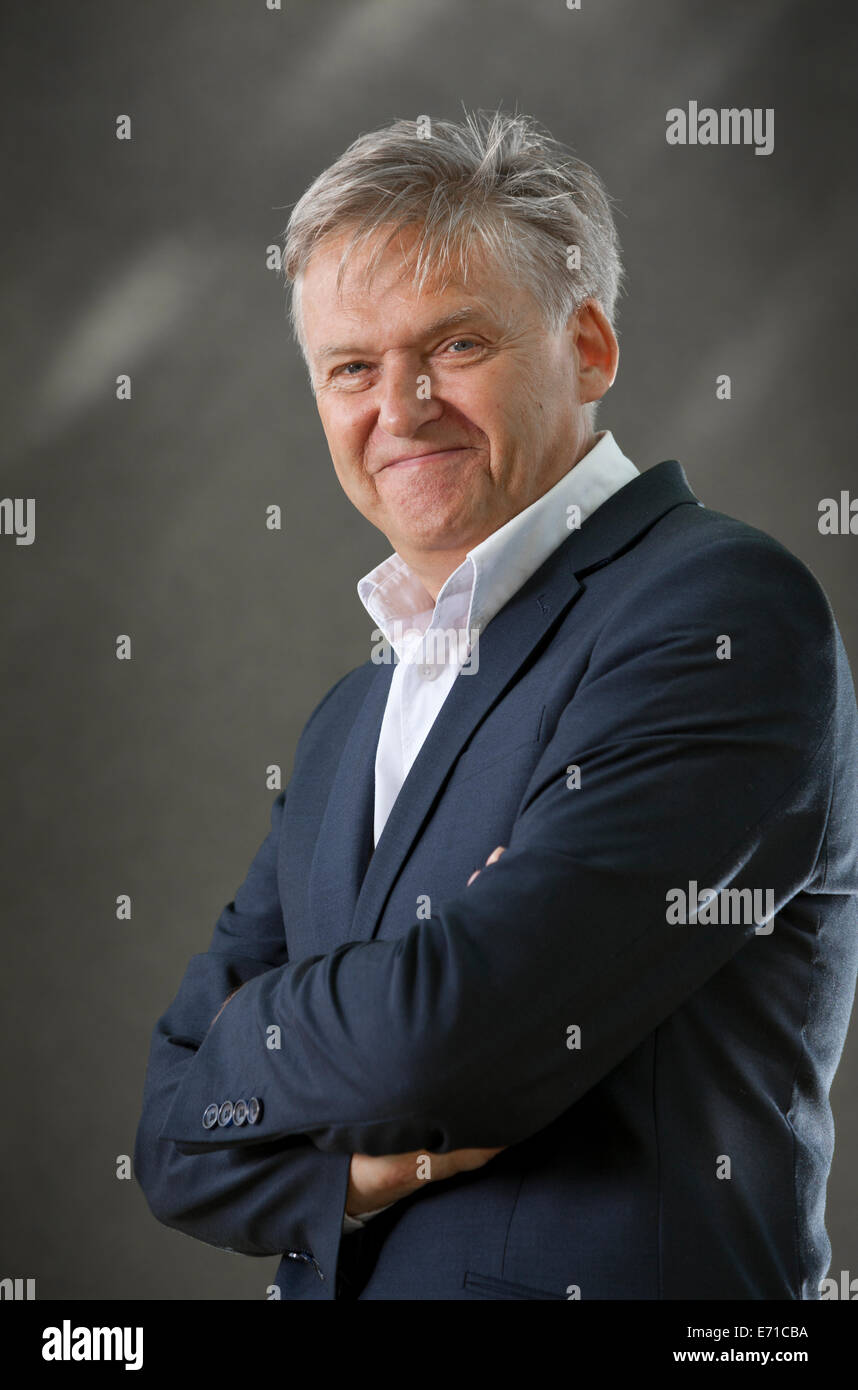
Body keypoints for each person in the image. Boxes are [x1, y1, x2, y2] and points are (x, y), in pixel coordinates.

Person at [134, 110, 858, 1300]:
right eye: (350, 367)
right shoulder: (345, 724)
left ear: (587, 346)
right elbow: (167, 1136)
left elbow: (445, 1041)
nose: (400, 405)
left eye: (455, 344)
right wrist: (347, 1180)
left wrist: (258, 1027)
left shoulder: (718, 614)